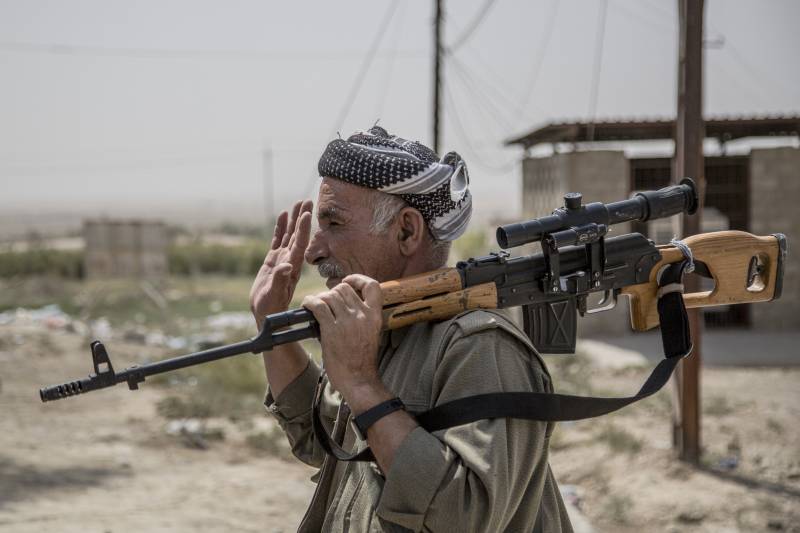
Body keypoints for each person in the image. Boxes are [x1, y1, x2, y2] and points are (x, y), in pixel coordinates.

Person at [249, 126, 572, 532]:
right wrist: (270, 322)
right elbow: (322, 441)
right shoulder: (383, 330)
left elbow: (465, 516)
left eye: (333, 223)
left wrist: (364, 387)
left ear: (406, 231)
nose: (314, 250)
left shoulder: (479, 345)